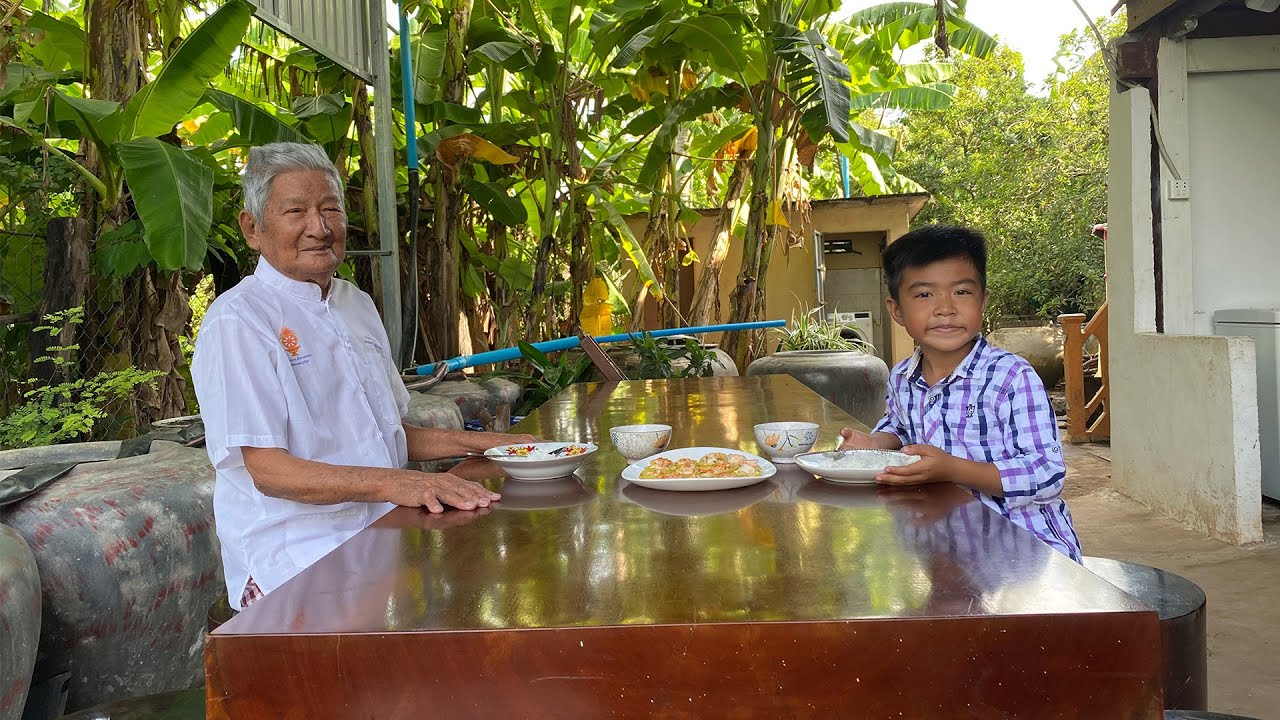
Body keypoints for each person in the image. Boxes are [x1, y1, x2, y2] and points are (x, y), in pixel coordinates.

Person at [192, 142, 536, 610]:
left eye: (330, 209)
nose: (319, 228)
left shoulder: (355, 303)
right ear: (252, 228)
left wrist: (491, 445)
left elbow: (389, 433)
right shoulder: (239, 321)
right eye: (296, 211)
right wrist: (402, 484)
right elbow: (268, 471)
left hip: (381, 534)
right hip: (296, 560)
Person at [838, 225, 1081, 561]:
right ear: (897, 311)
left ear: (983, 300)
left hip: (1025, 553)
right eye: (924, 294)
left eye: (962, 292)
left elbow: (1046, 474)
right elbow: (900, 426)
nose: (945, 308)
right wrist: (874, 445)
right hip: (948, 548)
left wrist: (953, 469)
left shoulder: (1011, 377)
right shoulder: (901, 376)